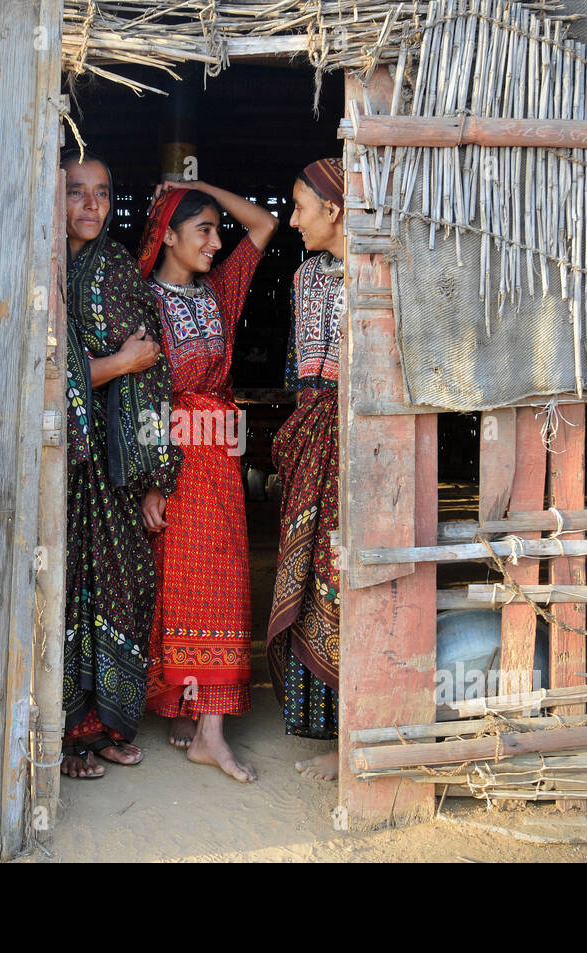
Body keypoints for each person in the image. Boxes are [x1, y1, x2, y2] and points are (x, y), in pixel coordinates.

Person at [137, 180, 277, 783]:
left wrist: (201, 188)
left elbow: (265, 224)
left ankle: (210, 730)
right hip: (172, 458)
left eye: (219, 229)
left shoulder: (218, 293)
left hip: (217, 458)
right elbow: (135, 397)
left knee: (221, 582)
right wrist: (151, 481)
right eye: (203, 229)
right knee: (178, 587)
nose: (217, 242)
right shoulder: (141, 302)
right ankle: (192, 711)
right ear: (168, 235)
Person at [60, 151, 180, 780]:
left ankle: (104, 728)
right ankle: (61, 737)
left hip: (111, 473)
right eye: (76, 192)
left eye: (101, 193)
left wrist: (156, 476)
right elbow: (40, 375)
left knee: (117, 592)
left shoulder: (118, 274)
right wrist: (111, 367)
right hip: (56, 470)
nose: (90, 206)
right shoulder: (45, 271)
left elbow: (152, 374)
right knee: (58, 596)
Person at [266, 158, 345, 781]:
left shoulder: (383, 270)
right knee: (317, 575)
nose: (293, 220)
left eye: (300, 207)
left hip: (365, 443)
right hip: (319, 432)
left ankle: (357, 740)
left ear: (335, 211)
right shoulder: (307, 278)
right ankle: (328, 727)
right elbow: (305, 375)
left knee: (353, 579)